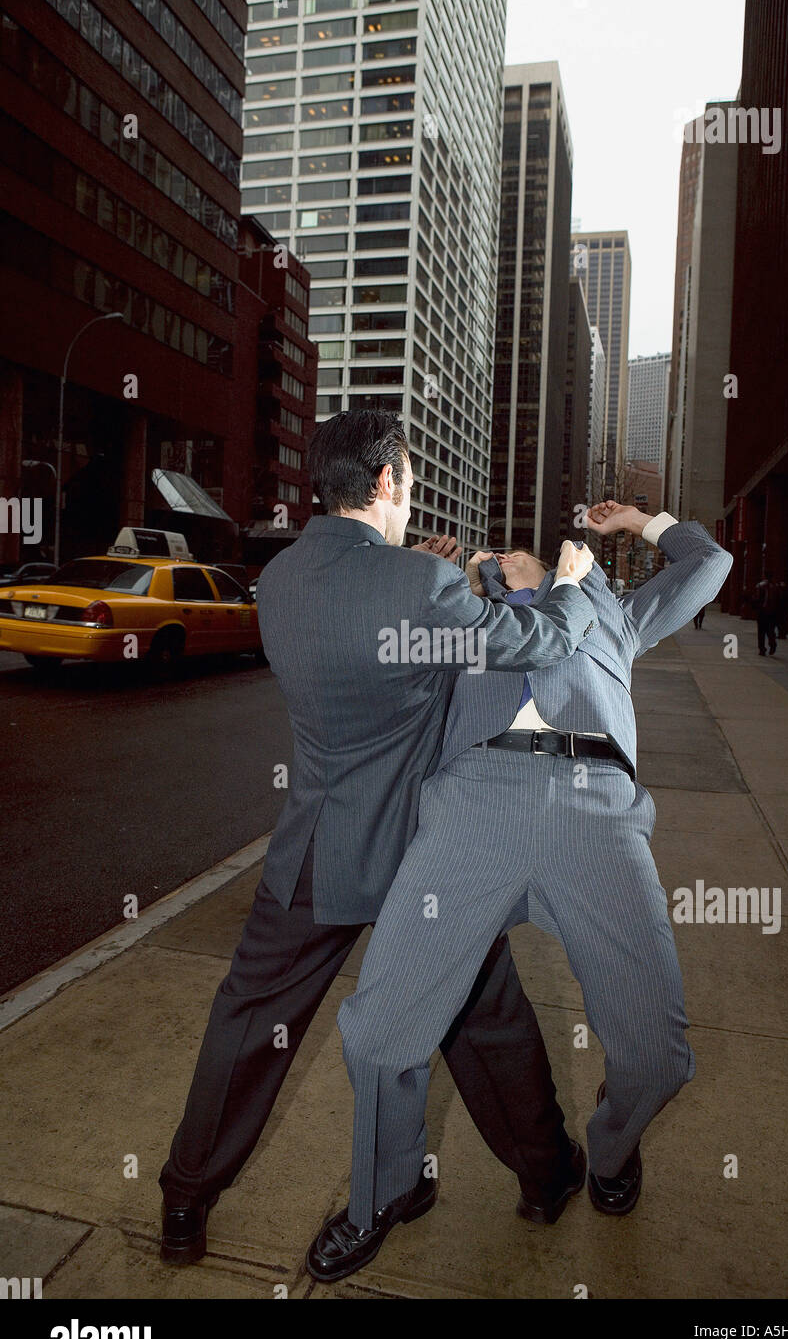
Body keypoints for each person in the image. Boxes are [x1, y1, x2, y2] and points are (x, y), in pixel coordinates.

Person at [158, 410, 599, 1265]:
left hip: (315, 851)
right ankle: (547, 1179)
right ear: (390, 481)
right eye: (407, 482)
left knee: (248, 1023)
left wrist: (429, 574)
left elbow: (373, 630)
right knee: (486, 1018)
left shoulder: (280, 580)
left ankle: (185, 1201)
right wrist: (572, 581)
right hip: (418, 862)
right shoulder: (419, 590)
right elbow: (539, 637)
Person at [306, 501, 733, 1282]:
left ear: (572, 564)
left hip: (596, 810)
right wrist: (437, 573)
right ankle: (386, 1189)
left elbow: (709, 566)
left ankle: (610, 1150)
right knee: (376, 1033)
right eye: (494, 557)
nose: (506, 558)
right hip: (473, 804)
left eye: (517, 555)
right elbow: (379, 652)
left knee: (659, 1053)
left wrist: (639, 522)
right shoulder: (466, 620)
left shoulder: (613, 613)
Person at [753, 571, 784, 655]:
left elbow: (756, 599)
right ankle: (772, 644)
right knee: (770, 630)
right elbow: (780, 600)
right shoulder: (776, 587)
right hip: (773, 612)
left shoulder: (760, 585)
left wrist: (756, 609)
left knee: (761, 632)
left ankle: (762, 649)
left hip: (762, 612)